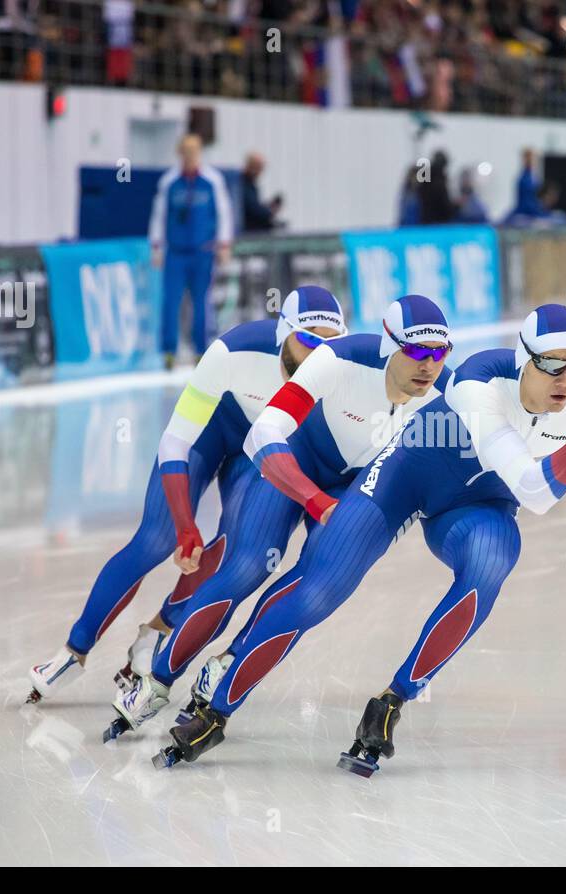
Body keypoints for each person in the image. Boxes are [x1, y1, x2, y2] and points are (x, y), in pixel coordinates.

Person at [162, 305, 566, 773]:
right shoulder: (478, 382)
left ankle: (391, 702)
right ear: (522, 360)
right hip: (407, 477)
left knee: (493, 563)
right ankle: (215, 711)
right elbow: (536, 491)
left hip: (478, 507)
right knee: (320, 590)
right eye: (551, 364)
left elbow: (529, 492)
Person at [112, 295, 456, 734]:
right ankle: (158, 680)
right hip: (294, 463)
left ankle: (230, 660)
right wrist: (314, 499)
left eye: (440, 352)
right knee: (248, 567)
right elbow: (261, 436)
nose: (430, 365)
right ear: (390, 346)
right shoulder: (336, 359)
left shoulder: (446, 393)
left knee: (316, 586)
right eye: (417, 351)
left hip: (352, 483)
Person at [26, 287, 346, 704]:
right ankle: (73, 652)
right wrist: (183, 523)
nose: (315, 355)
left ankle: (157, 633)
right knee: (157, 539)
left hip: (257, 451)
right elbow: (175, 444)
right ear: (283, 333)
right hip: (207, 434)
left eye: (330, 344)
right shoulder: (233, 352)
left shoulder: (337, 372)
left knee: (238, 549)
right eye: (306, 340)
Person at [149, 134, 234, 369]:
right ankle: (169, 351)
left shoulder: (212, 181)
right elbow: (159, 215)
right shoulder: (169, 182)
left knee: (201, 302)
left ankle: (201, 349)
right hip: (175, 252)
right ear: (179, 153)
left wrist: (224, 244)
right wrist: (156, 246)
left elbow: (223, 213)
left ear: (199, 153)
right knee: (171, 301)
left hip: (203, 252)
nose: (189, 156)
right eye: (185, 151)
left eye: (194, 151)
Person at [241, 152, 283, 232]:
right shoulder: (243, 184)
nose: (260, 172)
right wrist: (269, 211)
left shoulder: (250, 184)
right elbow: (253, 210)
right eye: (258, 167)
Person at [509, 147, 549, 220]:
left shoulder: (535, 177)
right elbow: (525, 202)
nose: (532, 161)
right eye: (529, 158)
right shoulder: (523, 179)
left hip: (535, 211)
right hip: (526, 212)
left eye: (533, 158)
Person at [418, 149, 456, 224]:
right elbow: (444, 205)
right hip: (437, 222)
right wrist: (456, 207)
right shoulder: (438, 180)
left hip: (426, 220)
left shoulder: (427, 176)